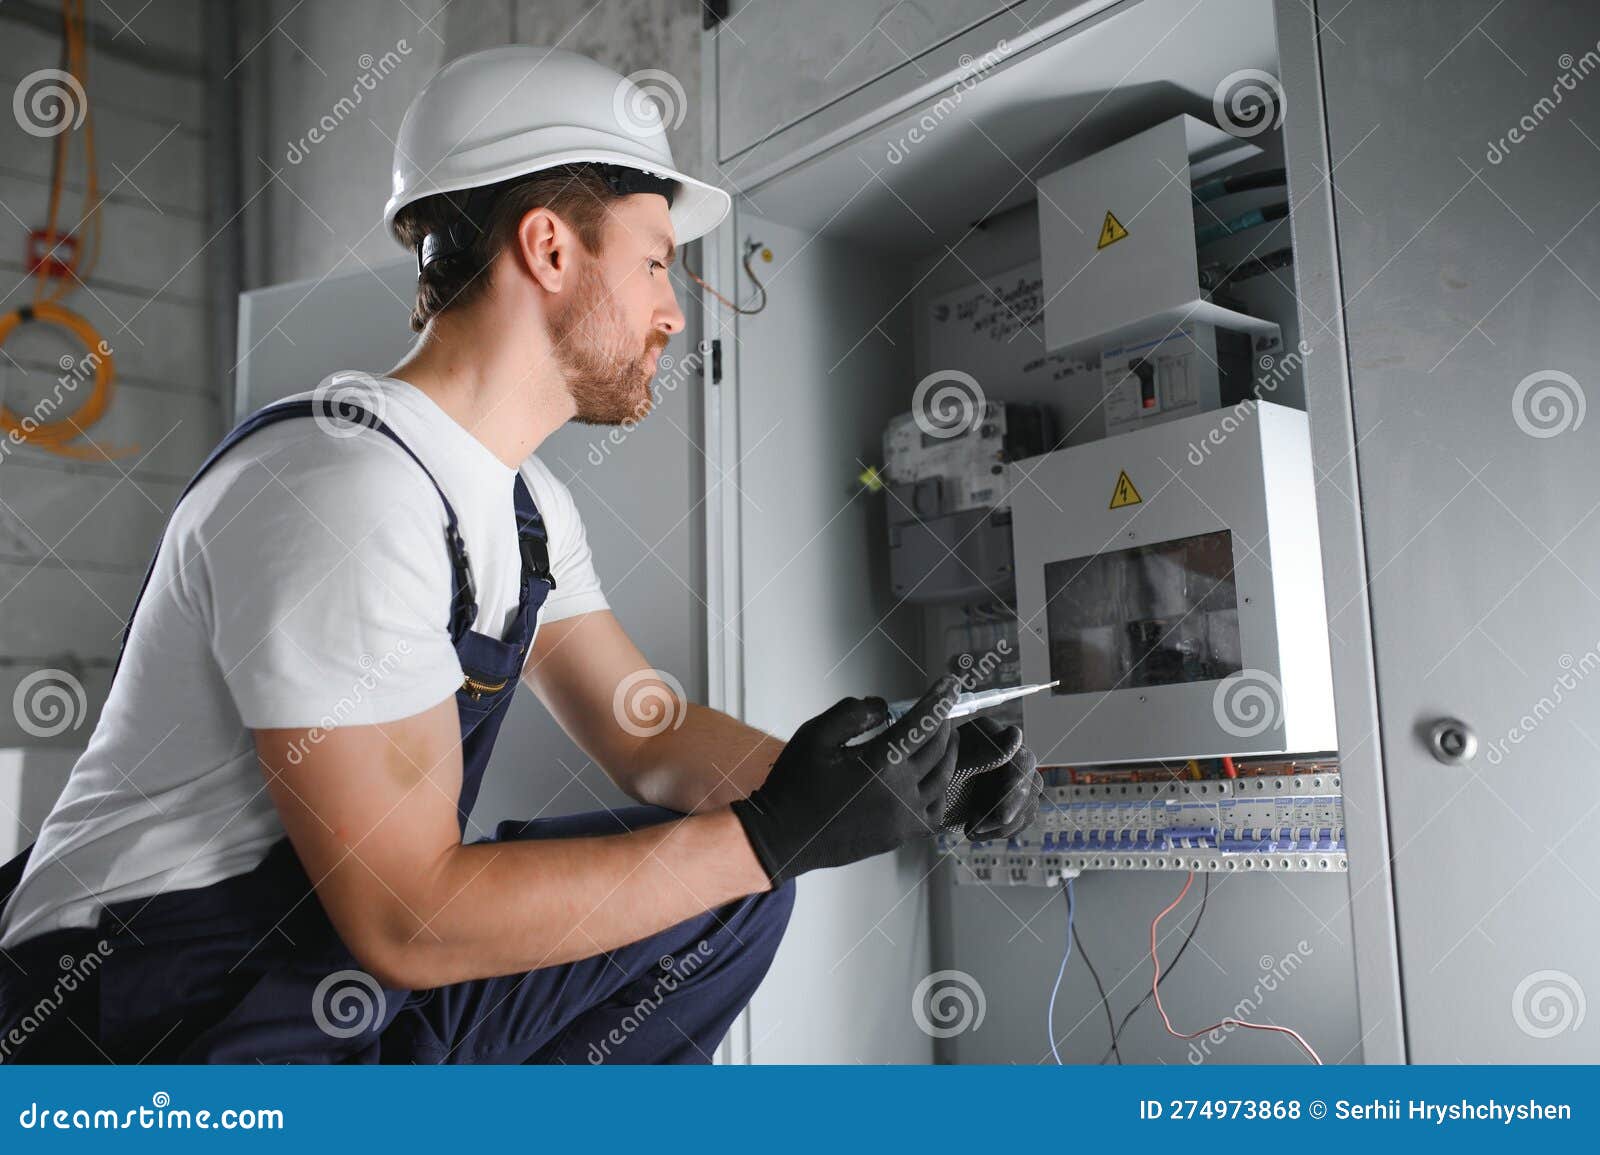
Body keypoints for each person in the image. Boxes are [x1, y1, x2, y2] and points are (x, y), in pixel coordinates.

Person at [0, 46, 1040, 1064]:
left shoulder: (522, 504)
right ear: (548, 248)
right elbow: (404, 916)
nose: (675, 312)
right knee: (735, 865)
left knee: (728, 898)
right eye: (653, 264)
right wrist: (768, 835)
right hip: (142, 1012)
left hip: (315, 981)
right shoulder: (344, 488)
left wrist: (877, 784)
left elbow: (654, 732)